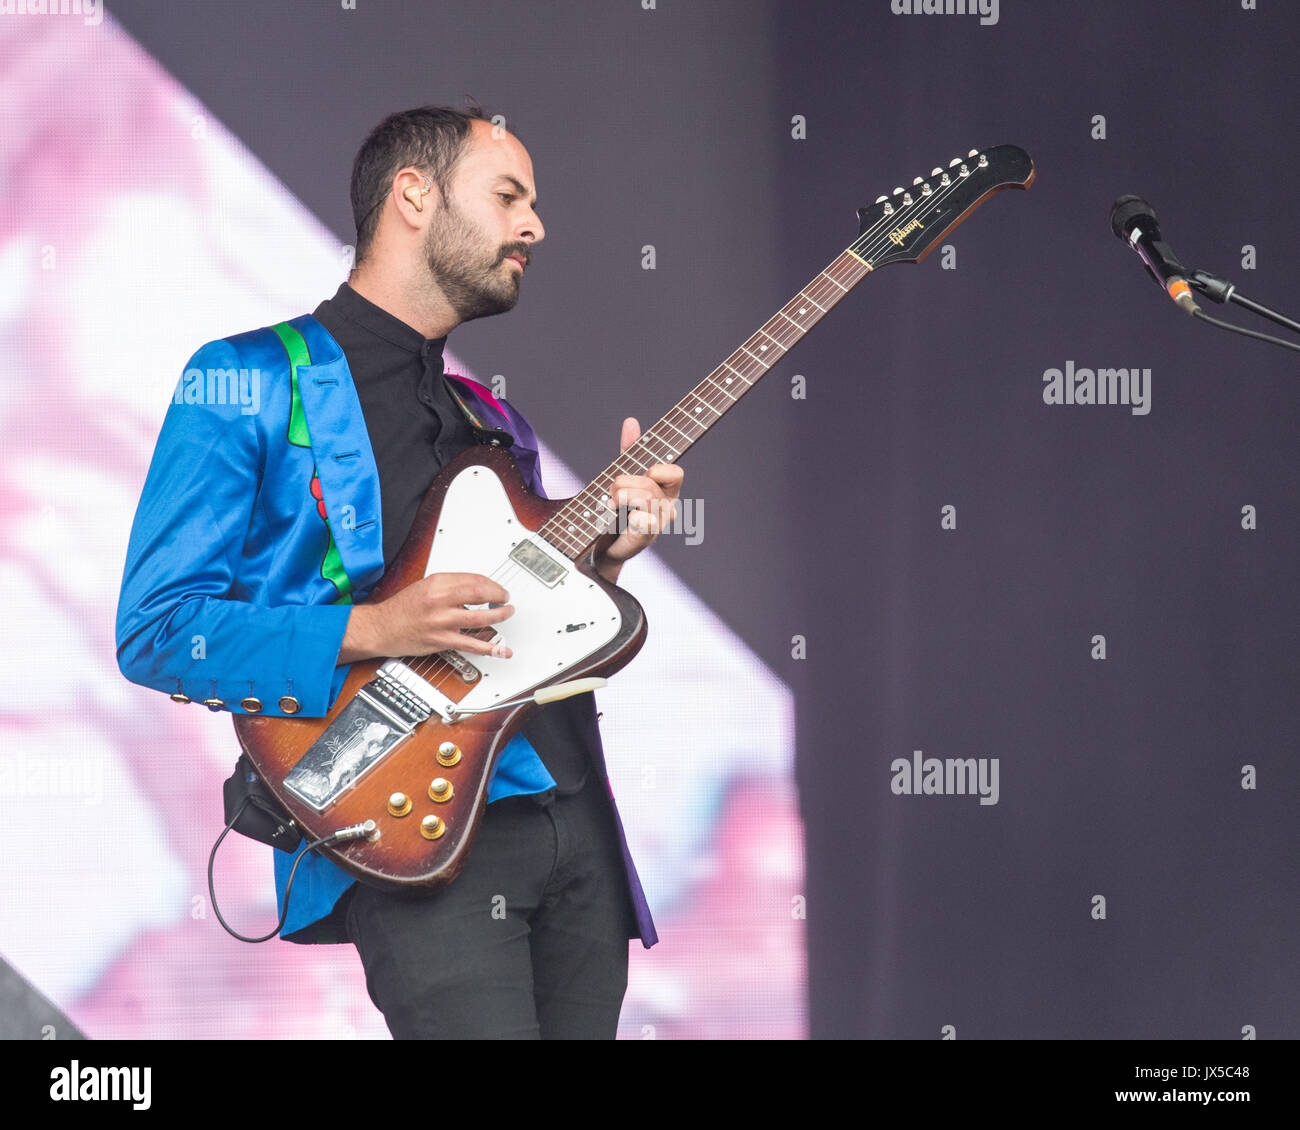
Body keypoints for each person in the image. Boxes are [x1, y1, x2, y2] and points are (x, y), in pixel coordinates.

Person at [115, 103, 683, 1039]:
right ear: (413, 197)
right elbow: (160, 629)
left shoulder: (491, 420)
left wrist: (610, 557)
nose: (534, 225)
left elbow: (523, 627)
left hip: (577, 823)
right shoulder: (248, 378)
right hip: (423, 831)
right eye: (508, 196)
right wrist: (374, 628)